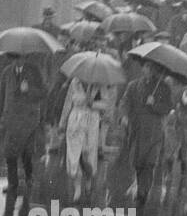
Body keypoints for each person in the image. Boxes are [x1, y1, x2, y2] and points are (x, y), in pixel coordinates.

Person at [117, 62, 174, 207]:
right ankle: (140, 184)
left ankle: (143, 192)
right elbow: (125, 102)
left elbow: (167, 107)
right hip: (136, 128)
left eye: (152, 68)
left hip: (154, 130)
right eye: (146, 67)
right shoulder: (133, 85)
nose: (148, 70)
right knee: (137, 161)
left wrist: (154, 104)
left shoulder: (164, 88)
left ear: (156, 70)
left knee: (150, 162)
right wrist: (124, 116)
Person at [0, 53, 47, 197]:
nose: (17, 62)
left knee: (26, 153)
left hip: (28, 120)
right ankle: (12, 183)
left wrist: (28, 90)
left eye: (20, 58)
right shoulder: (6, 72)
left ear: (25, 58)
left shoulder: (34, 71)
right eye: (14, 59)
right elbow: (1, 94)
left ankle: (29, 179)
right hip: (11, 119)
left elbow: (43, 92)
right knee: (9, 153)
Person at [58, 82, 103, 203]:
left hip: (91, 121)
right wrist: (62, 122)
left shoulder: (98, 84)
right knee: (74, 155)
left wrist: (92, 103)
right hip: (75, 121)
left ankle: (88, 181)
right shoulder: (74, 82)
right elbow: (68, 103)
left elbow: (105, 105)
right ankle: (77, 188)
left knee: (87, 155)